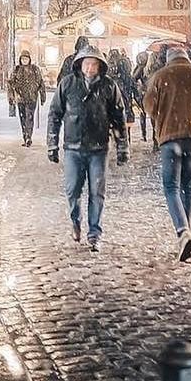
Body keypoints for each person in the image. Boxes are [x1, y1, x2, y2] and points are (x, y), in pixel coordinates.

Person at [47, 45, 128, 251]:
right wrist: (52, 143)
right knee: (73, 190)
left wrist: (122, 147)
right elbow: (55, 114)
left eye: (94, 64)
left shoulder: (108, 87)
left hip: (98, 148)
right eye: (87, 64)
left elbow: (118, 117)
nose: (90, 68)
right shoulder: (68, 84)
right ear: (80, 65)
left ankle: (94, 232)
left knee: (97, 192)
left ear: (100, 66)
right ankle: (75, 220)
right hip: (73, 147)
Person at [143, 47, 191, 261]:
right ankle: (186, 231)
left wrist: (164, 110)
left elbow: (149, 106)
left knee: (171, 187)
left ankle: (182, 231)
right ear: (187, 59)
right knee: (188, 187)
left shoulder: (160, 76)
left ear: (169, 60)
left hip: (169, 137)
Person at [8, 49, 46, 146]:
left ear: (29, 59)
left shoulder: (35, 69)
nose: (25, 60)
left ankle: (29, 136)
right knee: (23, 118)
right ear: (20, 59)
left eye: (26, 58)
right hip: (21, 98)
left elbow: (41, 83)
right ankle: (25, 136)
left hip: (32, 98)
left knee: (29, 117)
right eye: (23, 59)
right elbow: (11, 84)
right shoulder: (17, 70)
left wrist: (42, 96)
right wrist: (11, 97)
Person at [131, 51, 151, 142]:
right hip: (153, 93)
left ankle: (144, 135)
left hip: (144, 94)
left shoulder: (141, 68)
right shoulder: (154, 66)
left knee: (143, 114)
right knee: (154, 116)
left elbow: (133, 79)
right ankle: (155, 137)